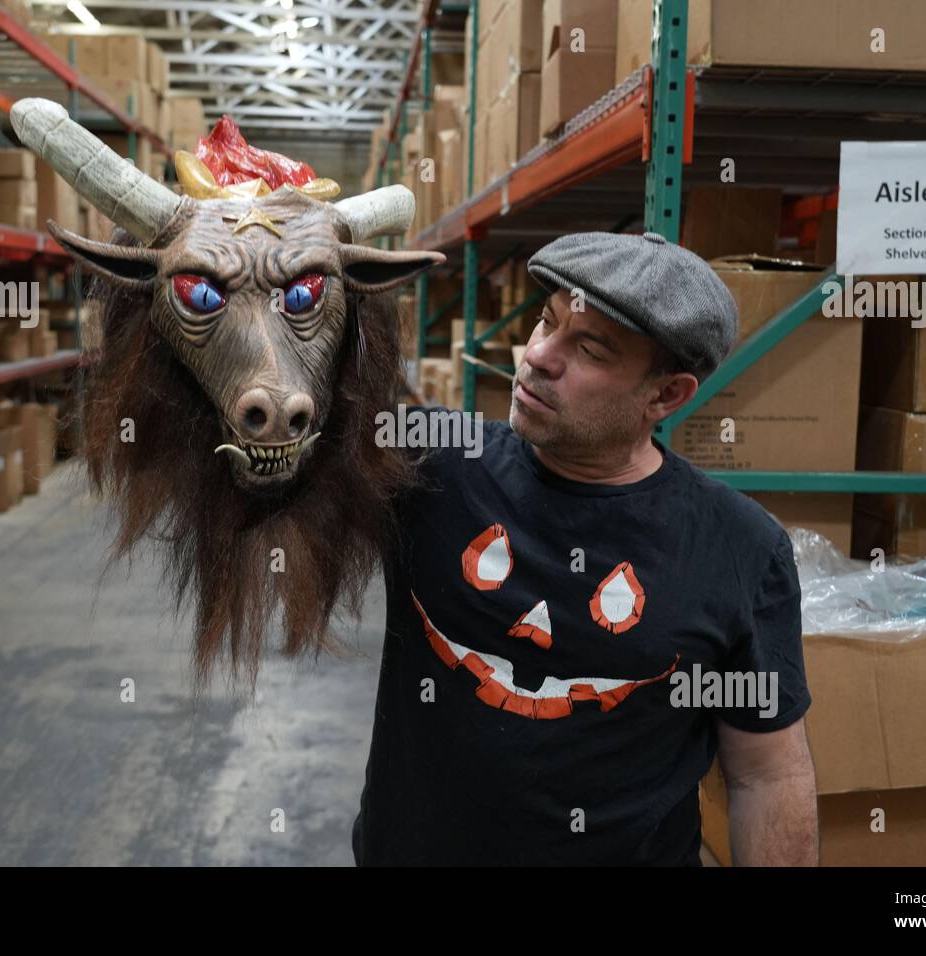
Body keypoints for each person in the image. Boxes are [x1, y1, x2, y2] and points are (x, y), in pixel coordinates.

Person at [351, 232, 819, 866]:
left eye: (589, 348)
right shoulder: (431, 467)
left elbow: (766, 775)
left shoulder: (741, 548)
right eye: (547, 321)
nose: (539, 356)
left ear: (666, 395)